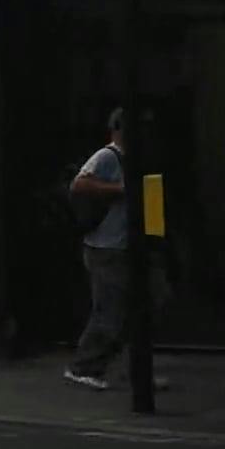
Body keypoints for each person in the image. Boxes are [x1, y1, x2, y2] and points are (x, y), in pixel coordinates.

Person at [67, 109, 132, 390]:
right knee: (108, 310)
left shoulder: (132, 158)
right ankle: (83, 366)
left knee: (135, 307)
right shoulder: (108, 156)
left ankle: (132, 366)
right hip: (105, 246)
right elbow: (79, 184)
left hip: (123, 244)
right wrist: (118, 189)